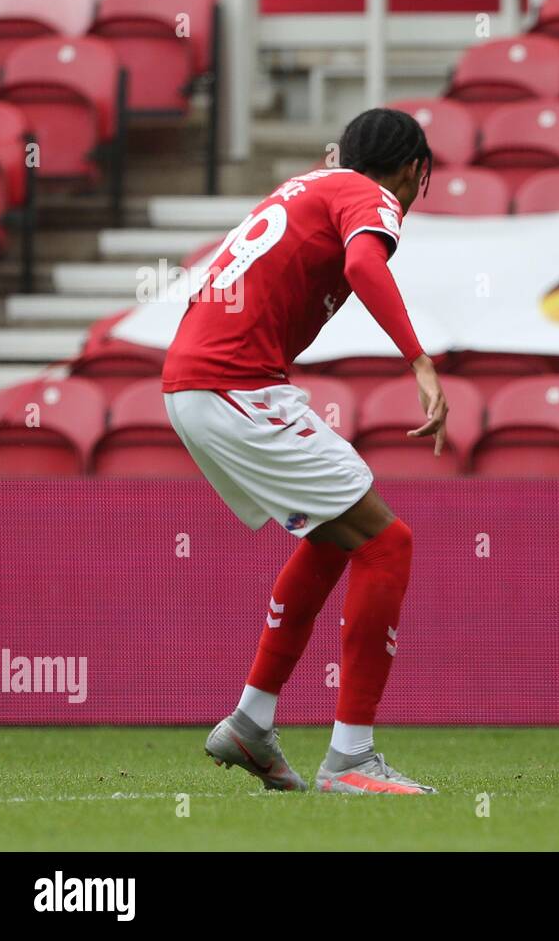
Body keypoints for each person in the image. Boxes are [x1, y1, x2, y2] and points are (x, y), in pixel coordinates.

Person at [161, 108, 448, 795]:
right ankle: (350, 760)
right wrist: (420, 362)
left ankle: (251, 723)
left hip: (197, 382)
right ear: (413, 171)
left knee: (334, 538)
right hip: (233, 384)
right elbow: (361, 260)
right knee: (389, 542)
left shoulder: (309, 186)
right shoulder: (367, 194)